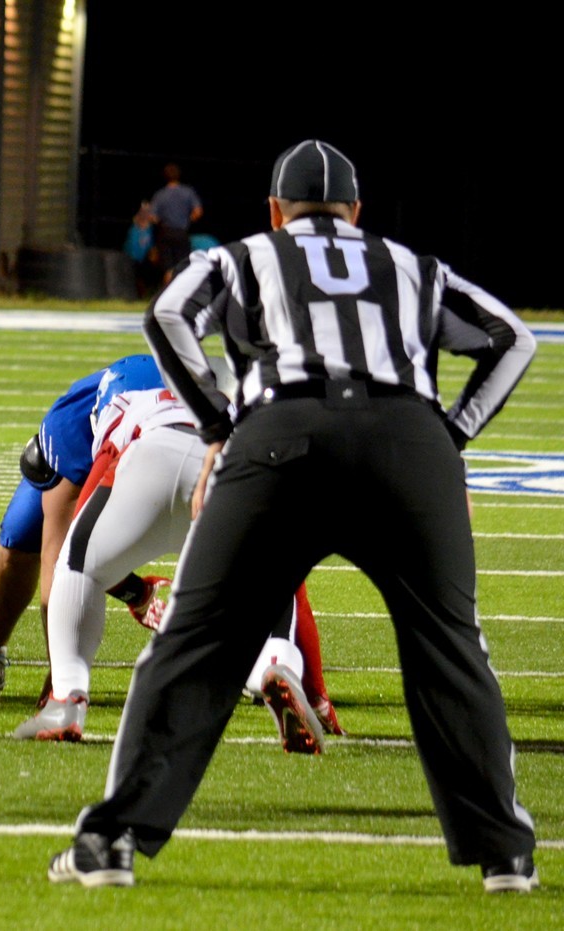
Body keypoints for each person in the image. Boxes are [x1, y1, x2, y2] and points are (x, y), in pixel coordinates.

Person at [49, 140, 539, 892]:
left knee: (199, 640)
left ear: (275, 211)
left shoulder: (247, 256)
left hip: (281, 439)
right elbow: (514, 337)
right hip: (409, 443)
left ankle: (112, 842)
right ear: (357, 213)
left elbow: (168, 314)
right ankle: (505, 855)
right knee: (450, 647)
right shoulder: (411, 265)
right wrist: (452, 433)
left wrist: (218, 427)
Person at [17, 381, 329, 750]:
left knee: (77, 565)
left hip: (147, 459)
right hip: (222, 470)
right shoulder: (233, 410)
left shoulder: (124, 404)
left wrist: (135, 591)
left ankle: (67, 699)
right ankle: (275, 666)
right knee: (271, 577)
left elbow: (83, 527)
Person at [0, 356, 170, 702]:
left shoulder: (206, 422)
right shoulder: (75, 432)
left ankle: (258, 655)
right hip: (80, 457)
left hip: (176, 459)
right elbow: (62, 568)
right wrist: (62, 676)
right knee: (19, 540)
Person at [146, 163, 201, 285]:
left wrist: (162, 220)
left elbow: (152, 217)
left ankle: (167, 297)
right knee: (183, 266)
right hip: (182, 232)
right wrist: (187, 220)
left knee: (168, 268)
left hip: (166, 232)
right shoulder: (188, 192)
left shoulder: (160, 195)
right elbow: (198, 212)